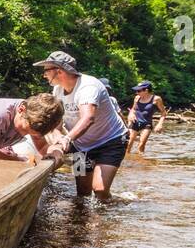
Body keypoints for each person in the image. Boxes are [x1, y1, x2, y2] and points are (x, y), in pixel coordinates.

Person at [34, 51, 128, 200]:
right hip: (81, 145)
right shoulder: (58, 90)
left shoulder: (88, 87)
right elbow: (57, 123)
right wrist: (58, 139)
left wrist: (67, 139)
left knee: (100, 190)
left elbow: (88, 118)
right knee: (82, 193)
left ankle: (110, 212)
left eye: (46, 70)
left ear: (59, 71)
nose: (43, 75)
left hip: (111, 141)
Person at [126, 81, 167, 154]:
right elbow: (133, 109)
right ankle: (126, 161)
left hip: (146, 124)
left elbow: (163, 113)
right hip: (135, 122)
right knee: (128, 144)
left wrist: (159, 124)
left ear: (146, 90)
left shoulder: (156, 99)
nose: (137, 93)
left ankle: (142, 162)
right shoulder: (137, 98)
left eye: (139, 91)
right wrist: (131, 114)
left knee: (141, 144)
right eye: (136, 91)